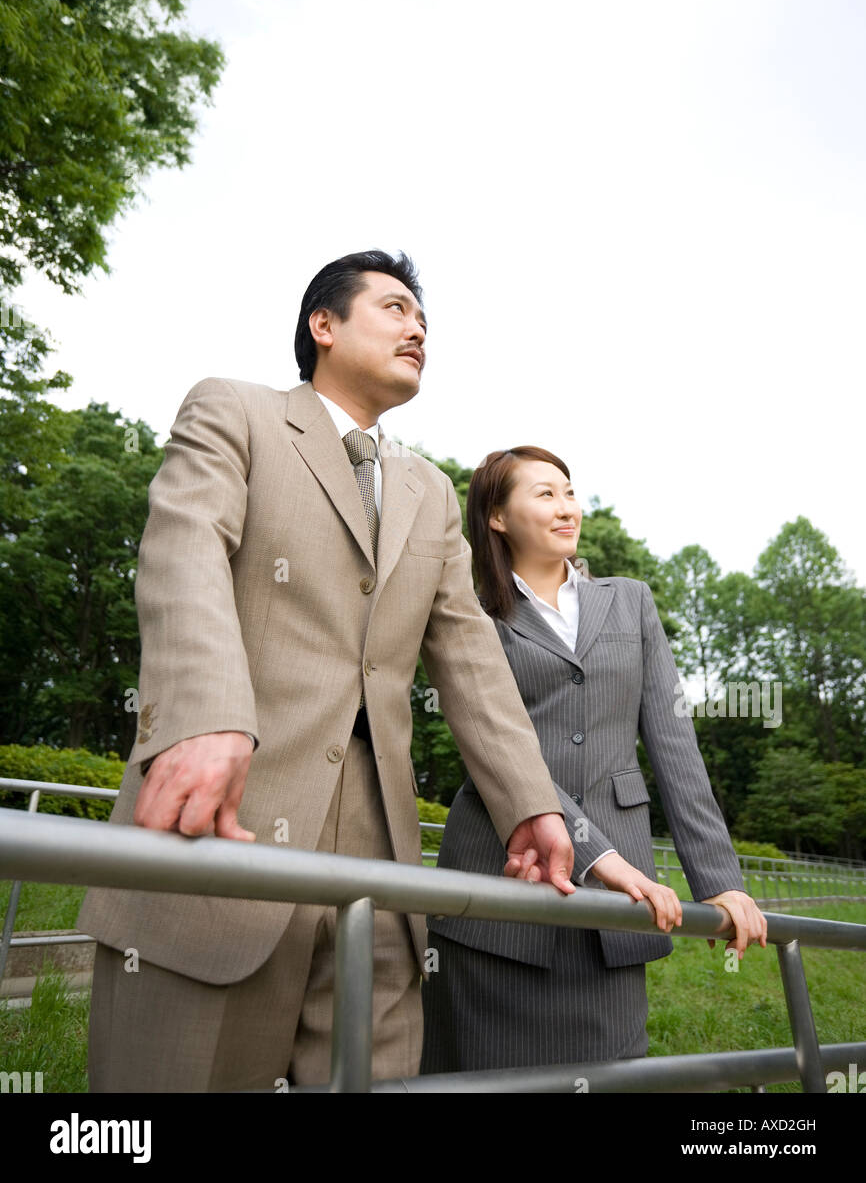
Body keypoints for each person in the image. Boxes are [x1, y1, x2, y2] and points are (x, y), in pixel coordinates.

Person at [77, 254, 576, 1092]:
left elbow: (472, 663)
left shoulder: (433, 493)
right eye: (395, 308)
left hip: (380, 871)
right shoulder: (233, 410)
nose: (418, 329)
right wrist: (203, 715)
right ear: (324, 326)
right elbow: (183, 549)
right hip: (222, 826)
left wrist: (531, 804)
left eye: (426, 320)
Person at [421, 446, 767, 1073]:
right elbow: (496, 746)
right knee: (477, 1079)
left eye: (570, 492)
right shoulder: (469, 614)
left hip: (620, 907)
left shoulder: (630, 601)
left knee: (610, 1074)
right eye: (545, 494)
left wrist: (720, 881)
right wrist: (595, 854)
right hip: (501, 880)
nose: (567, 508)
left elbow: (674, 745)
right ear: (497, 516)